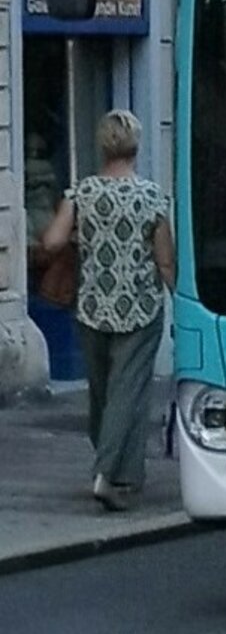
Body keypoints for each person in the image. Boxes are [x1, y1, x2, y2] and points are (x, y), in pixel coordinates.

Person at [37, 110, 173, 511]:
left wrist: (82, 232)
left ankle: (127, 475)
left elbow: (52, 243)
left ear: (103, 146)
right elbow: (165, 261)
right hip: (140, 307)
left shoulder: (82, 193)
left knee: (102, 394)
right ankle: (107, 472)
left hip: (93, 305)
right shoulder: (152, 197)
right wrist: (182, 300)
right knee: (128, 393)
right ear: (136, 146)